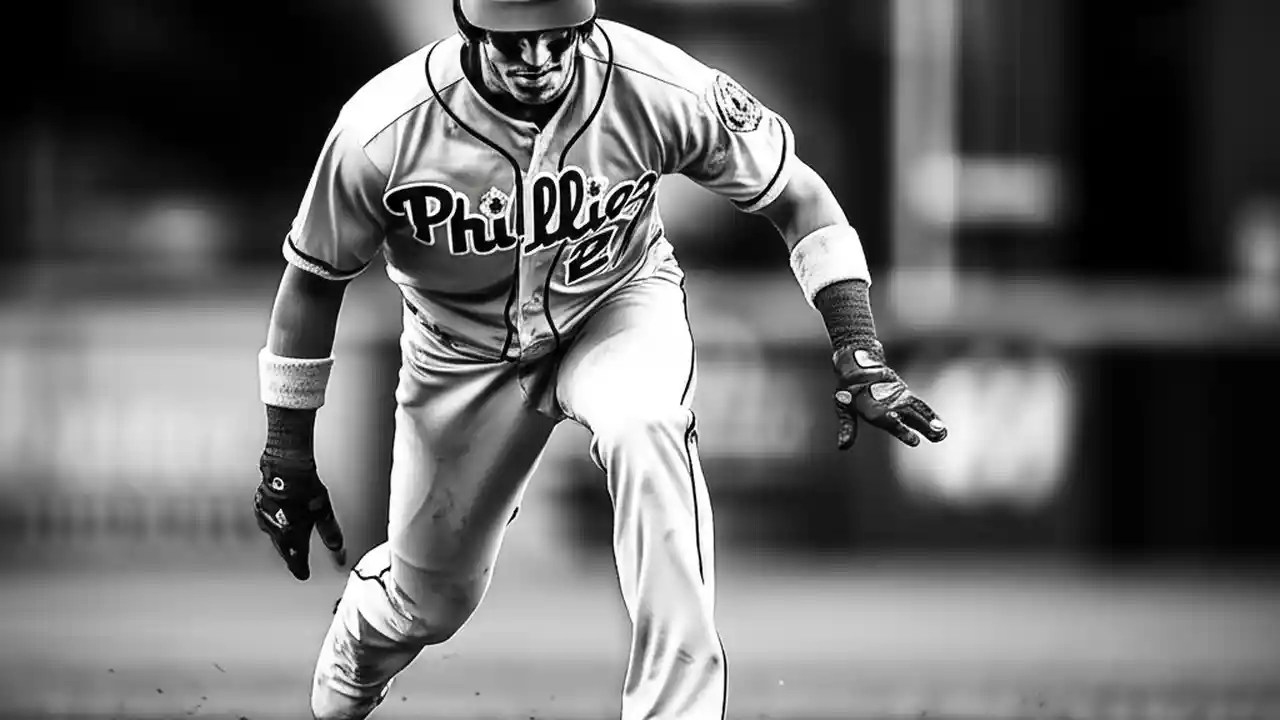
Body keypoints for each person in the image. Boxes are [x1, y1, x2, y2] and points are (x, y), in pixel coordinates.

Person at [252, 1, 948, 718]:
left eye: (562, 39)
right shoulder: (383, 128)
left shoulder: (652, 83)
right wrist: (286, 450)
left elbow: (800, 198)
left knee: (644, 426)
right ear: (469, 27)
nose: (542, 62)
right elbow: (313, 281)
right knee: (431, 602)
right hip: (460, 352)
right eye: (517, 45)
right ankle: (368, 632)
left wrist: (858, 348)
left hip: (615, 307)